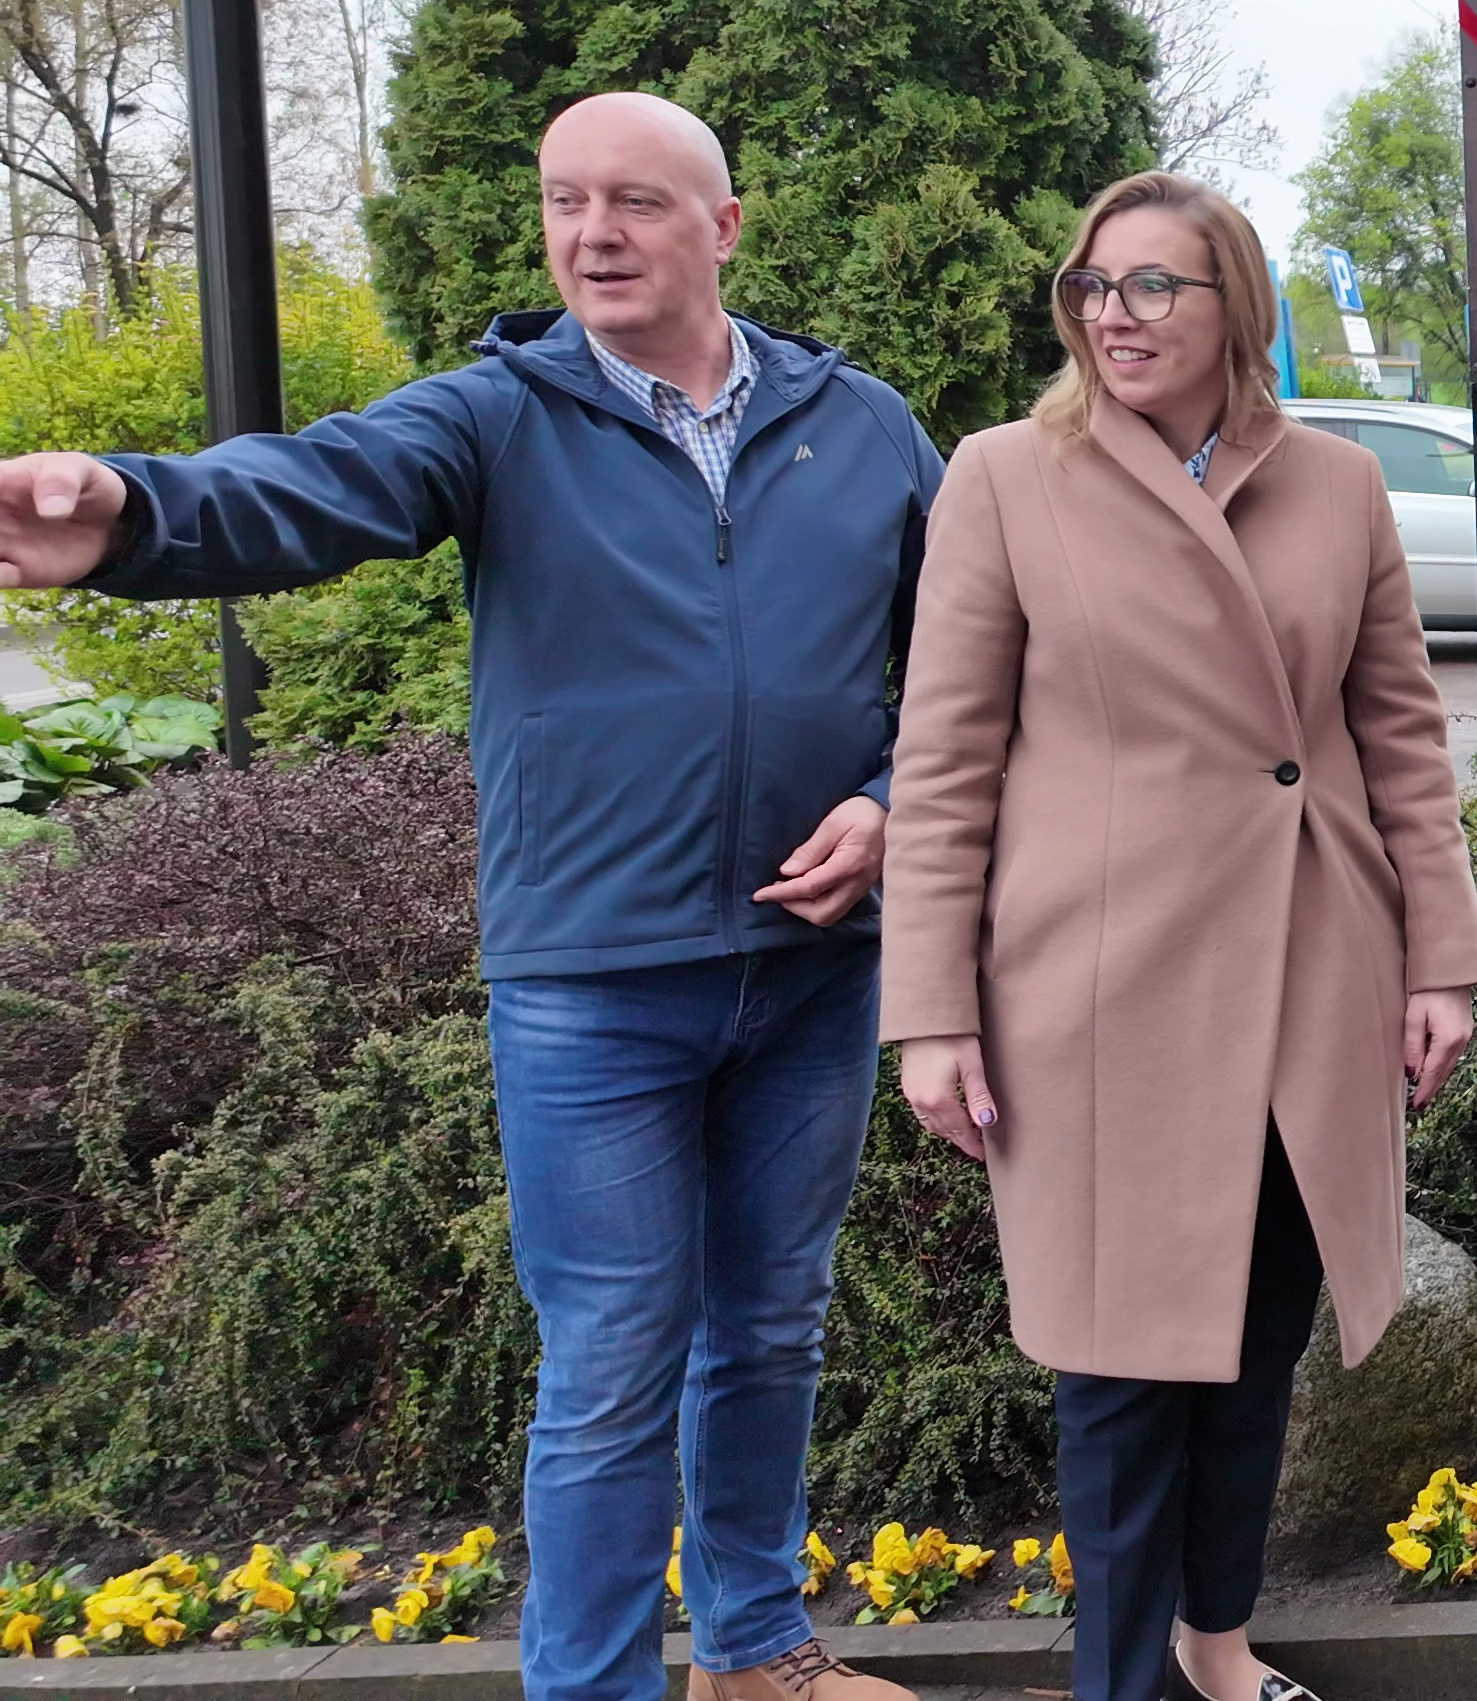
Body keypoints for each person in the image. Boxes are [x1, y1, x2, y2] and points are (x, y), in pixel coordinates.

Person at [0, 94, 942, 1701]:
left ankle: (760, 1651)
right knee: (609, 1369)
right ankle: (591, 1691)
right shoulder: (496, 418)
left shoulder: (860, 427)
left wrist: (889, 801)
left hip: (809, 969)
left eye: (634, 202)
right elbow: (310, 486)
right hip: (592, 980)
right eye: (566, 202)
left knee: (773, 1329)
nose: (592, 234)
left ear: (723, 226)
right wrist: (137, 512)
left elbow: (970, 671)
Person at [876, 170, 1477, 1701]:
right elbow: (944, 762)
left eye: (1156, 285)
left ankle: (1217, 1648)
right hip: (1102, 990)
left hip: (1306, 972)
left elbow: (1399, 737)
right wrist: (929, 1012)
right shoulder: (1007, 476)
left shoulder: (1336, 484)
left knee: (1256, 1347)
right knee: (1121, 1368)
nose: (1116, 313)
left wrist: (1441, 960)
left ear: (1237, 311)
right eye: (1094, 284)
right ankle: (1120, 1685)